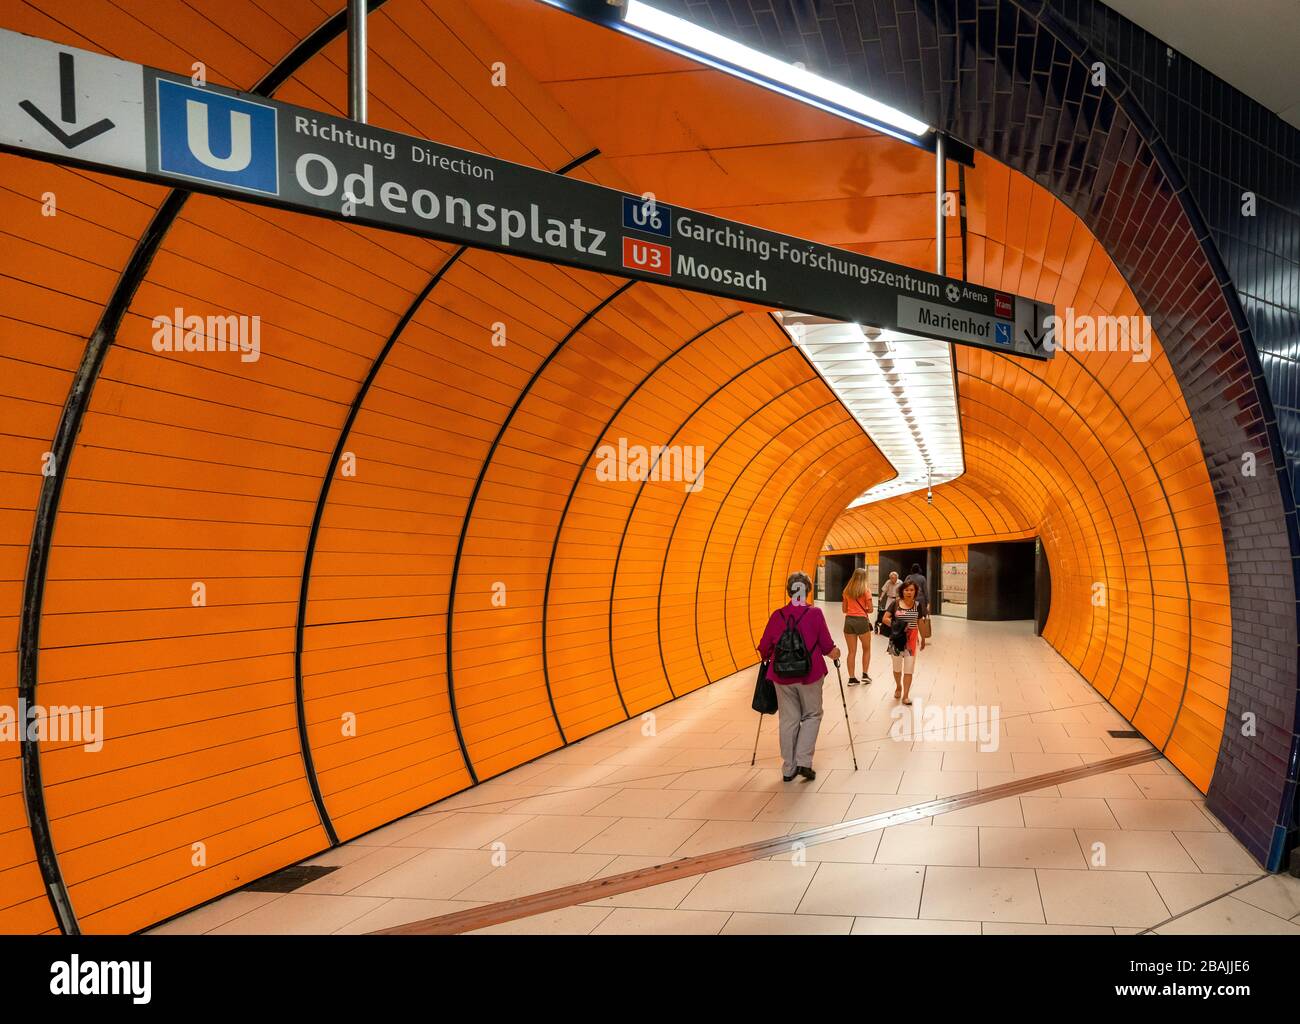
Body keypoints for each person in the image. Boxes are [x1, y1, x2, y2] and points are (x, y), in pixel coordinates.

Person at [757, 571, 839, 782]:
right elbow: (827, 646)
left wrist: (770, 656)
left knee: (788, 720)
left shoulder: (777, 615)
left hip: (781, 676)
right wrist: (835, 653)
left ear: (789, 591)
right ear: (807, 591)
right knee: (812, 715)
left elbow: (764, 647)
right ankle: (803, 761)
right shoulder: (815, 614)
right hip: (810, 674)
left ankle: (788, 768)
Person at [881, 578, 926, 705]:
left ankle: (905, 695)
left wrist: (923, 638)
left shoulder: (918, 606)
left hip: (911, 642)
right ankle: (898, 686)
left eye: (911, 590)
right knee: (897, 668)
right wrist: (897, 625)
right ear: (902, 591)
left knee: (909, 669)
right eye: (906, 590)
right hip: (896, 641)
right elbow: (885, 618)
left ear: (915, 592)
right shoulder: (895, 603)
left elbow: (920, 622)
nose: (909, 592)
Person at [841, 567, 873, 686]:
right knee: (866, 649)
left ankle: (852, 678)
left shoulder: (846, 591)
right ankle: (864, 675)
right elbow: (870, 610)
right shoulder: (866, 591)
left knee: (851, 652)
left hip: (849, 621)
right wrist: (863, 609)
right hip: (861, 621)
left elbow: (844, 610)